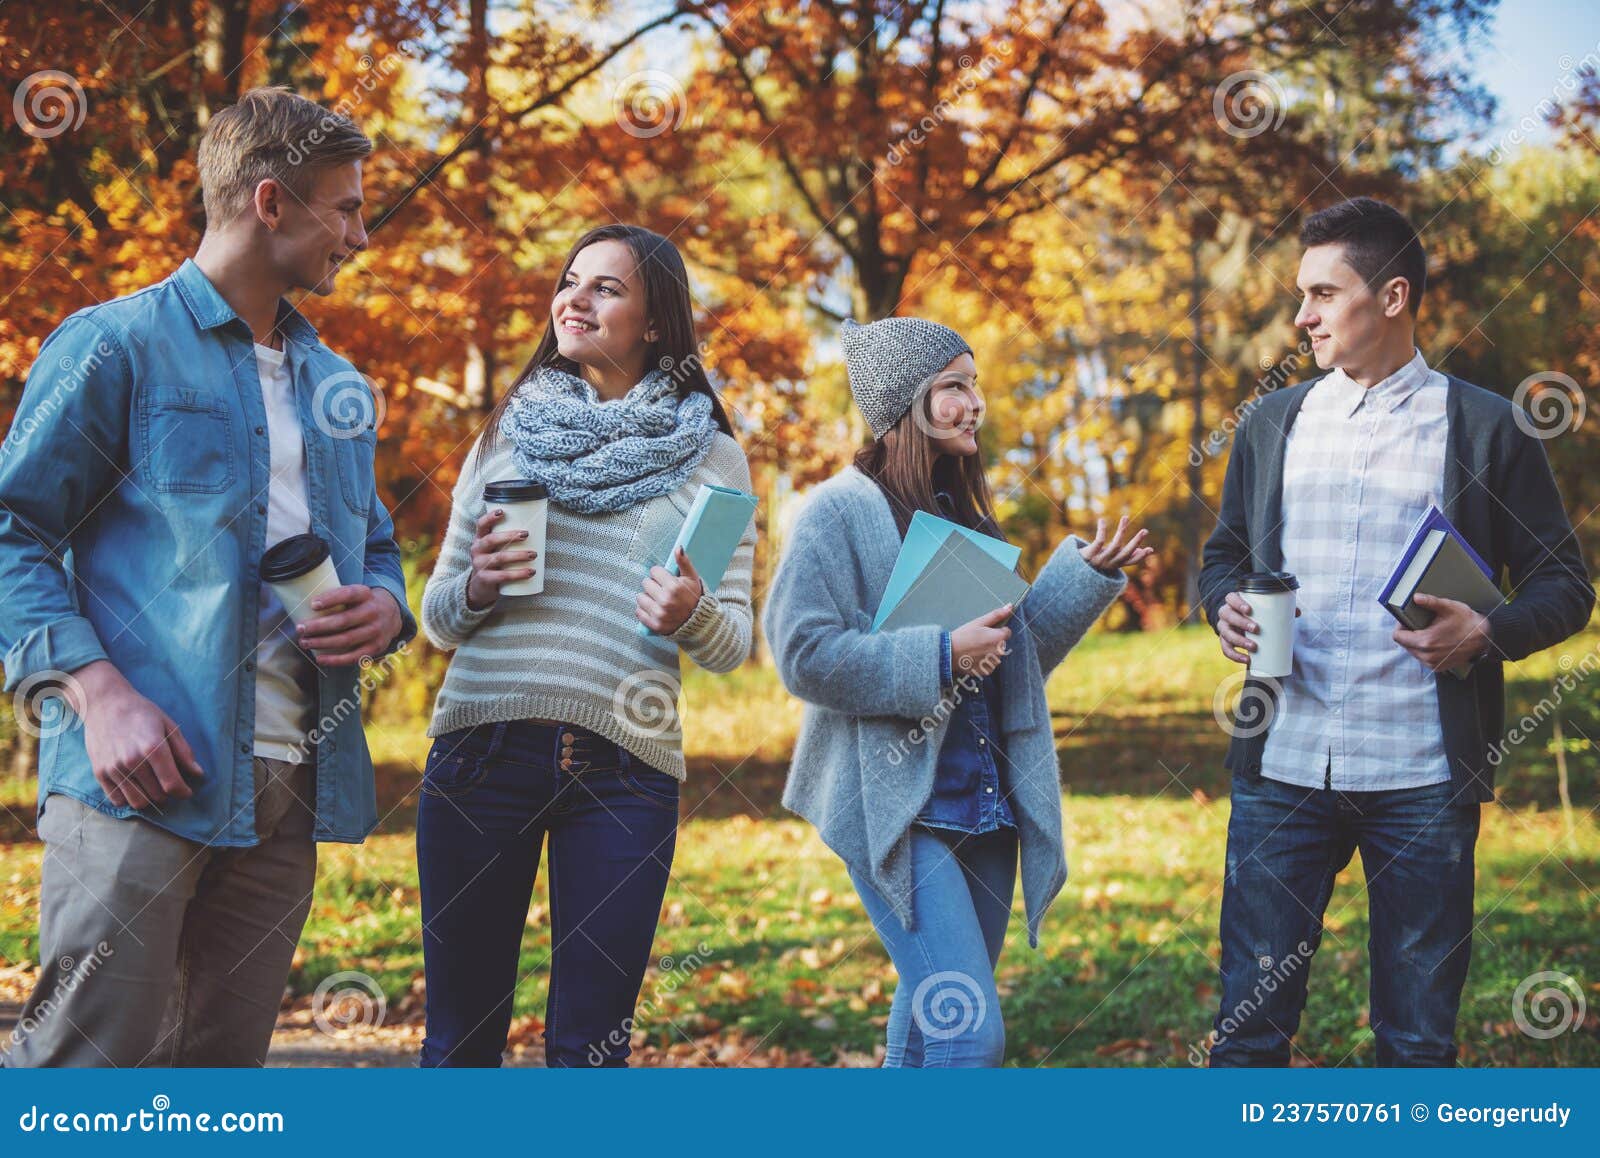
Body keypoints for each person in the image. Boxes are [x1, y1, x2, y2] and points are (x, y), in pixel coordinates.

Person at [0, 86, 413, 1067]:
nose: (360, 232)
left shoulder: (335, 383)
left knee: (218, 1085)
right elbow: (10, 530)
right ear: (271, 203)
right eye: (345, 207)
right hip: (139, 782)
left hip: (285, 793)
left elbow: (380, 546)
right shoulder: (115, 346)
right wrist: (94, 695)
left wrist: (384, 608)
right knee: (85, 1076)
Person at [1199, 196, 1594, 1066]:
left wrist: (1487, 632)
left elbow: (1567, 585)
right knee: (1247, 1033)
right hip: (1283, 767)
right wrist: (1223, 602)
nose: (1301, 316)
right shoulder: (1273, 424)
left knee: (1417, 1040)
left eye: (1322, 294)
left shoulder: (1488, 429)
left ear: (1392, 297)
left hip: (1423, 776)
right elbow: (1224, 553)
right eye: (1300, 295)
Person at [763, 316, 1152, 1066]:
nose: (974, 402)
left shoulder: (956, 513)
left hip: (982, 801)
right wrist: (940, 654)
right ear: (904, 404)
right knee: (968, 1033)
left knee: (927, 1027)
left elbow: (1009, 661)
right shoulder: (834, 511)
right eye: (953, 387)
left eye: (974, 385)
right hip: (900, 808)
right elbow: (803, 655)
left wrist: (1086, 576)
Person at [416, 223, 756, 1067]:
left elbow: (734, 642)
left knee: (591, 1052)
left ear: (654, 323)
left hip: (626, 772)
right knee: (460, 1043)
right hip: (481, 754)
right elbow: (436, 617)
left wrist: (692, 614)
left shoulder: (715, 459)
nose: (575, 297)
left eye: (606, 287)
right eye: (571, 280)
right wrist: (480, 586)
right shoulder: (506, 434)